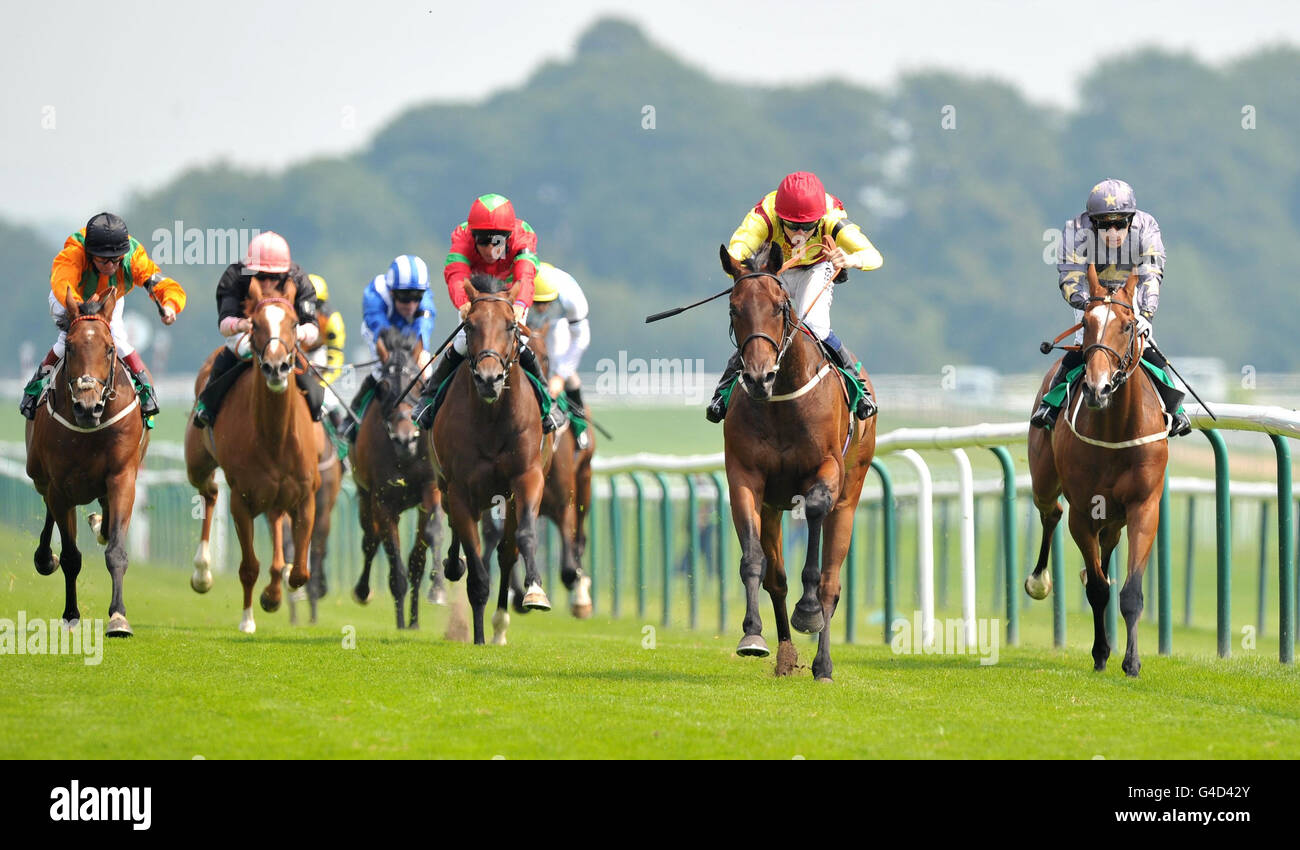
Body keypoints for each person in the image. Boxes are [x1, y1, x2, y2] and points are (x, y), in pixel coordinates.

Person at [707, 171, 881, 423]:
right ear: (780, 217)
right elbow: (738, 247)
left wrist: (850, 259)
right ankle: (723, 392)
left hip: (816, 268)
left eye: (808, 226)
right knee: (761, 323)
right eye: (791, 224)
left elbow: (874, 256)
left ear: (819, 219)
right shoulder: (763, 217)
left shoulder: (831, 219)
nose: (799, 231)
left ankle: (857, 387)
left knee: (813, 325)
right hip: (775, 270)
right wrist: (741, 272)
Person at [1030, 178, 1190, 436]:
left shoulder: (1147, 226)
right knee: (1087, 344)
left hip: (1130, 294)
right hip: (1091, 295)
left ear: (1131, 219)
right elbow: (1070, 277)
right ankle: (1050, 404)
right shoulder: (1075, 229)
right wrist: (1089, 305)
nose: (1113, 232)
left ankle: (1176, 411)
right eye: (1105, 225)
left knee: (1146, 347)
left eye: (1120, 224)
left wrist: (1147, 312)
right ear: (1093, 222)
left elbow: (1151, 273)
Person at [412, 194, 566, 433]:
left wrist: (521, 304)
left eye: (497, 241)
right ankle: (429, 398)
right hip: (477, 296)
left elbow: (525, 275)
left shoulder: (522, 235)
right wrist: (463, 303)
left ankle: (548, 402)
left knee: (522, 341)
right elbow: (455, 274)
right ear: (473, 236)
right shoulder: (462, 235)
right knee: (463, 341)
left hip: (509, 296)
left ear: (508, 237)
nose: (490, 248)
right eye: (482, 241)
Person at [20, 212, 185, 421]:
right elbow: (64, 283)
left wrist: (170, 305)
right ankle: (35, 387)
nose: (110, 267)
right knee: (71, 341)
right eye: (103, 261)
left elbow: (164, 285)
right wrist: (82, 311)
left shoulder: (134, 257)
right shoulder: (74, 252)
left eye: (115, 261)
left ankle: (145, 390)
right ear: (90, 253)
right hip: (71, 299)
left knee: (117, 341)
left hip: (109, 296)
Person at [191, 231, 322, 429]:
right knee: (235, 353)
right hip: (246, 333)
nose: (267, 284)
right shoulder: (236, 276)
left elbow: (312, 328)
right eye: (260, 276)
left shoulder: (298, 279)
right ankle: (207, 404)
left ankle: (318, 406)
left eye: (274, 277)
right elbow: (224, 323)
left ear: (284, 272)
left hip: (285, 338)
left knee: (309, 380)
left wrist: (296, 333)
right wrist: (241, 325)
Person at [343, 255, 435, 441]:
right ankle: (352, 417)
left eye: (416, 298)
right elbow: (378, 325)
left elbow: (424, 325)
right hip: (379, 332)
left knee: (424, 370)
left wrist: (421, 350)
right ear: (392, 293)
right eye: (404, 298)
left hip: (409, 333)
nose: (411, 305)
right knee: (383, 372)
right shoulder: (375, 293)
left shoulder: (424, 297)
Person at [528, 261, 592, 449]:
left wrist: (560, 375)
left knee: (563, 366)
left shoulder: (571, 298)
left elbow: (581, 339)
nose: (540, 308)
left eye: (545, 303)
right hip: (528, 327)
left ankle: (580, 427)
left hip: (560, 326)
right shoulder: (520, 287)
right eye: (537, 303)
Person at [304, 273, 349, 437]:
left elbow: (335, 359)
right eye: (307, 304)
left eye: (317, 304)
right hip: (295, 356)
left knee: (328, 397)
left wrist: (324, 381)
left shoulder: (332, 321)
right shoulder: (291, 315)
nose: (312, 310)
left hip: (318, 356)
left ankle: (341, 438)